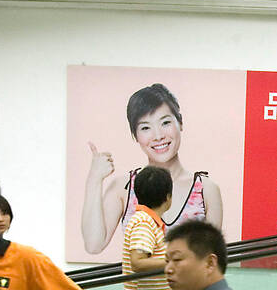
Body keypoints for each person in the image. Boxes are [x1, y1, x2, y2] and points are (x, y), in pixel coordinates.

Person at [81, 82, 224, 255]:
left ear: (180, 123)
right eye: (146, 127)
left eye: (165, 123)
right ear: (135, 136)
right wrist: (94, 180)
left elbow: (210, 260)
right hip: (139, 283)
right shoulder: (123, 188)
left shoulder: (207, 189)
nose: (158, 136)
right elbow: (94, 245)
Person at [119, 165, 174, 290]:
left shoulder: (149, 221)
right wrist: (175, 262)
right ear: (168, 196)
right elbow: (138, 262)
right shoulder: (144, 222)